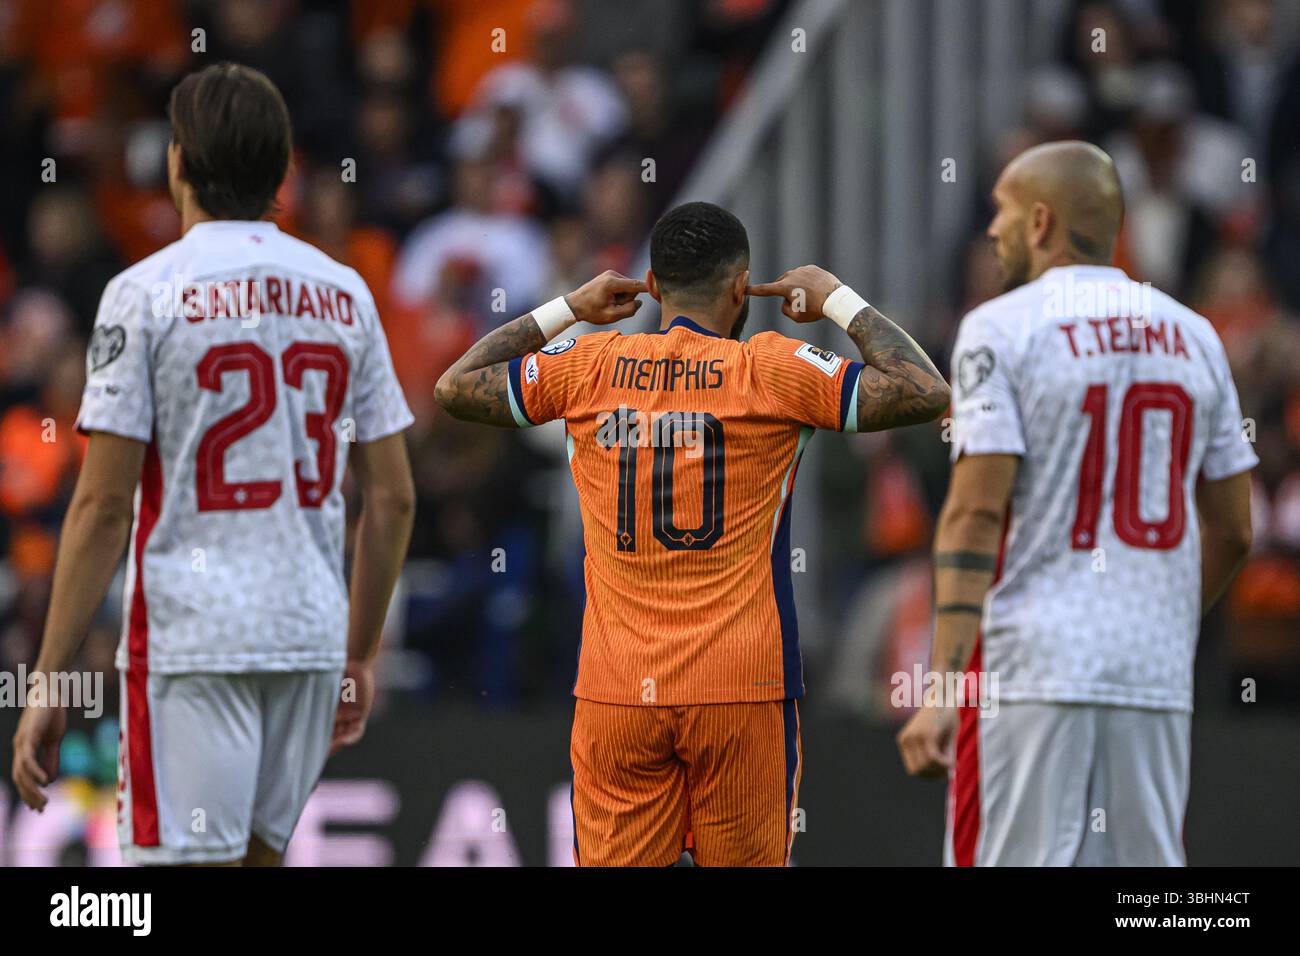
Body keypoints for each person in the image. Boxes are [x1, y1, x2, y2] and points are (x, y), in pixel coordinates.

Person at [435, 201, 949, 865]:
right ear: (742, 288)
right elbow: (923, 390)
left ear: (652, 284)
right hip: (739, 685)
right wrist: (836, 301)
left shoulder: (590, 366)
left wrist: (567, 309)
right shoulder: (773, 370)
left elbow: (457, 385)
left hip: (616, 690)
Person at [9, 63, 416, 866]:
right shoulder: (346, 293)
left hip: (194, 642)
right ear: (281, 170)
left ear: (178, 163)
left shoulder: (143, 292)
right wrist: (359, 656)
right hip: (307, 637)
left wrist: (50, 680)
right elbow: (393, 501)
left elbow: (100, 508)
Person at [896, 141, 1257, 866]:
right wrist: (1163, 619)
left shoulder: (1002, 326)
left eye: (999, 212)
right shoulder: (1196, 335)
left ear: (1039, 222)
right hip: (1150, 665)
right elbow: (1235, 530)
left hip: (1035, 660)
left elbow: (974, 514)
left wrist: (940, 688)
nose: (990, 232)